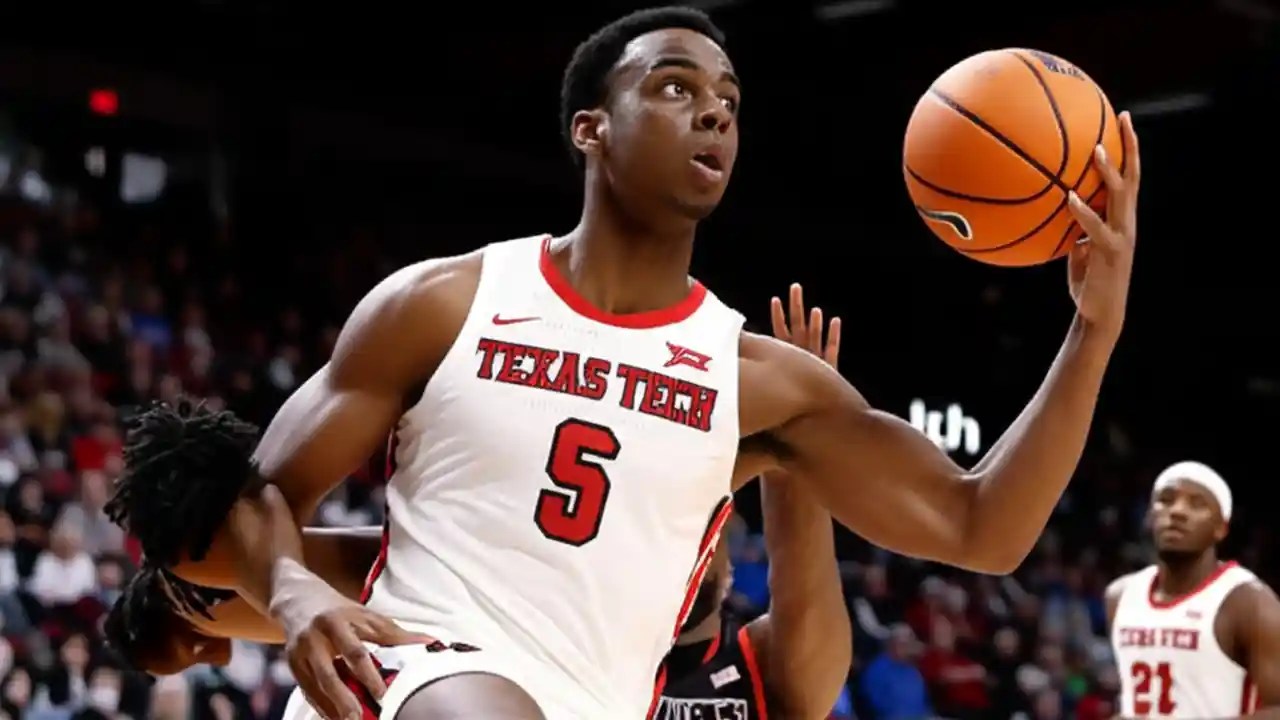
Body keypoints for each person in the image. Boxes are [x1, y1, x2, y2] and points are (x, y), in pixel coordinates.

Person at [106, 6, 1140, 720]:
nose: (715, 111)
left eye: (729, 99)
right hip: (414, 676)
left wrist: (1090, 330)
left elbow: (981, 527)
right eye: (676, 86)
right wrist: (293, 595)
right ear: (590, 130)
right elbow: (247, 502)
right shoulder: (447, 301)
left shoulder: (758, 383)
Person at [106, 286, 852, 720]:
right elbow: (212, 585)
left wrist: (801, 436)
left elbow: (811, 615)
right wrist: (163, 625)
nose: (696, 533)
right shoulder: (482, 585)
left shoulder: (754, 673)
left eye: (708, 511)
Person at [1107, 461, 1280, 718]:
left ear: (1221, 528)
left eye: (1197, 504)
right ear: (1150, 516)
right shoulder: (1120, 596)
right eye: (1166, 500)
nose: (1177, 511)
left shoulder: (1248, 601)